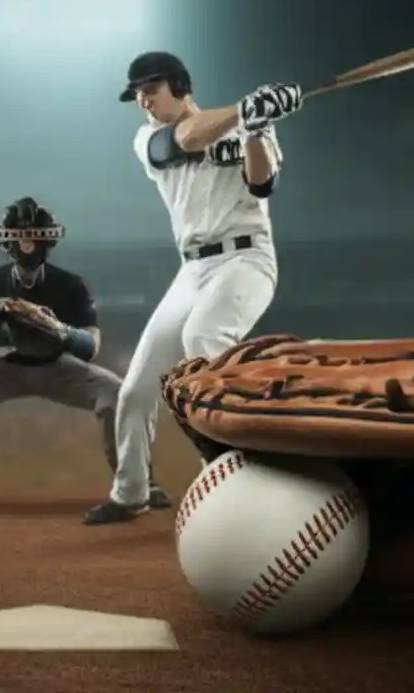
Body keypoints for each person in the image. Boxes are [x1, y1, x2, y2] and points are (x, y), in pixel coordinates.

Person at [83, 51, 304, 525]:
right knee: (137, 390)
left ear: (180, 84)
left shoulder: (244, 124)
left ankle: (227, 472)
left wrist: (259, 130)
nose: (143, 99)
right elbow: (183, 139)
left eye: (151, 88)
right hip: (193, 270)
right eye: (138, 93)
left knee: (202, 338)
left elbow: (262, 186)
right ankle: (130, 492)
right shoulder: (148, 139)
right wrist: (247, 111)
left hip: (247, 259)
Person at [0, 196, 173, 513]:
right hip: (2, 368)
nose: (27, 243)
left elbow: (91, 349)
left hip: (57, 366)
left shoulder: (70, 285)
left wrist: (54, 328)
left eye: (34, 235)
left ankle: (139, 481)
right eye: (21, 236)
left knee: (117, 396)